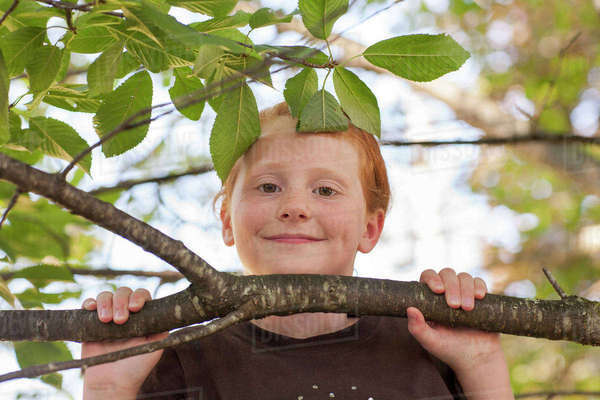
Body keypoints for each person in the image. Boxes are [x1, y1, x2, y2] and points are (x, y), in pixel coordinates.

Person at [81, 101, 514, 399]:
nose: (294, 208)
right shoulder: (181, 358)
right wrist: (107, 390)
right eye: (268, 186)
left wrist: (481, 364)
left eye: (326, 189)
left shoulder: (432, 344)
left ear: (370, 228)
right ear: (228, 221)